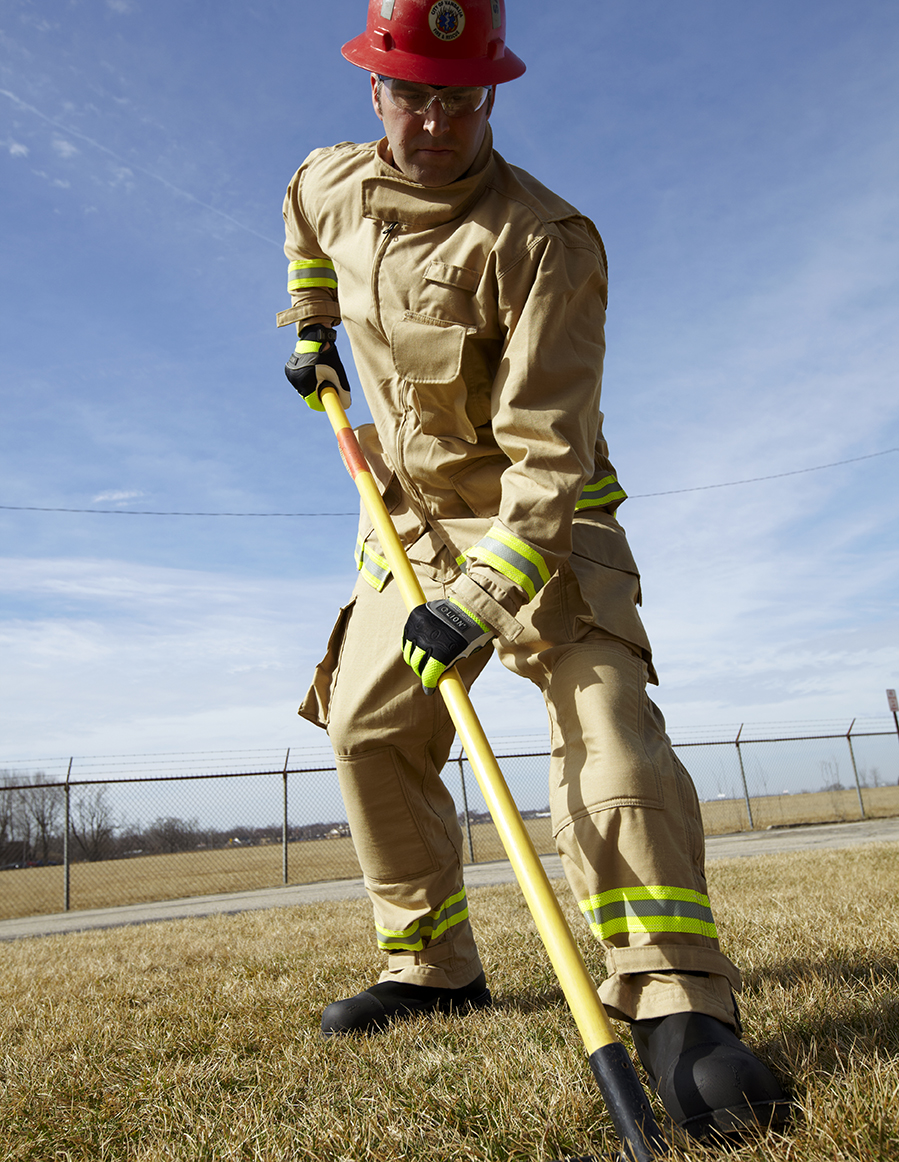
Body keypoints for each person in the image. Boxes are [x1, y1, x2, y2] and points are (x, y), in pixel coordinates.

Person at [277, 0, 791, 1142]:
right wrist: (311, 326)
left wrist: (480, 595)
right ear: (374, 91)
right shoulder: (327, 179)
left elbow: (547, 452)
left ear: (492, 95)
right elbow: (305, 240)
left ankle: (673, 1003)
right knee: (366, 727)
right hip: (406, 525)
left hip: (541, 523)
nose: (437, 121)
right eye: (413, 93)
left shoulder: (547, 239)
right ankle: (432, 968)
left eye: (460, 97)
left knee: (604, 729)